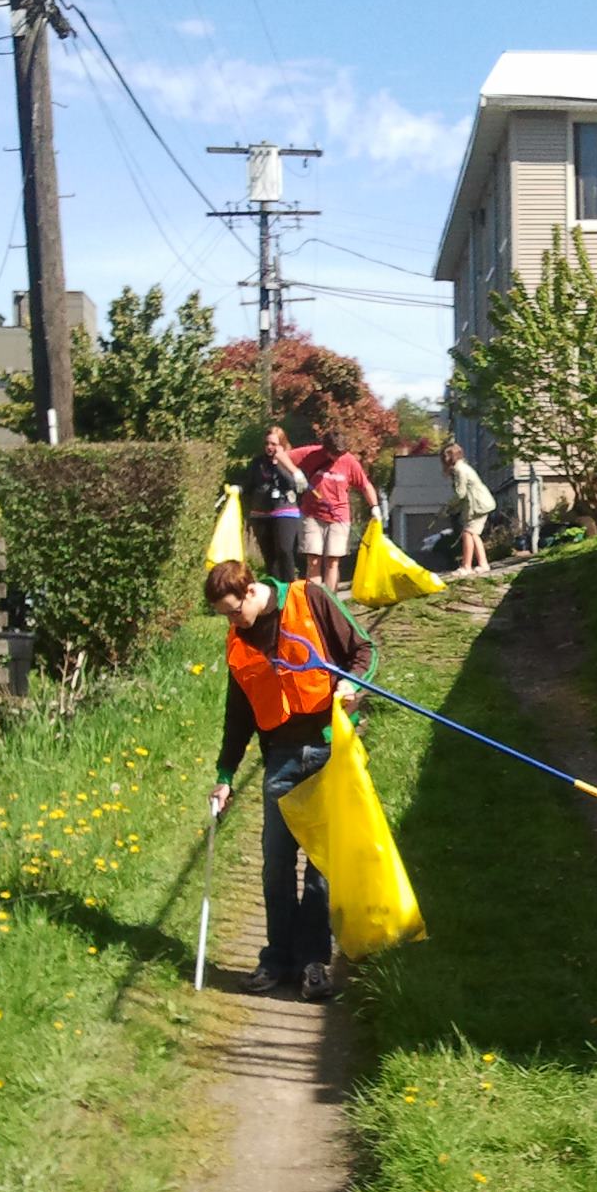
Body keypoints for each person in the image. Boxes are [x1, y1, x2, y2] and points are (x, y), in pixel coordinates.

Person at [206, 559, 373, 1002]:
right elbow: (237, 716)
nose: (230, 620)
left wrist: (352, 685)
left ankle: (315, 965)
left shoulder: (310, 598)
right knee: (275, 866)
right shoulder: (237, 642)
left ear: (251, 592)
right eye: (223, 614)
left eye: (231, 611)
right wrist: (225, 775)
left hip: (327, 751)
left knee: (320, 868)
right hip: (279, 758)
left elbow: (363, 649)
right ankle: (277, 958)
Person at [290, 429, 382, 592]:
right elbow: (283, 456)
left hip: (339, 517)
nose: (337, 458)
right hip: (312, 515)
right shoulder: (312, 453)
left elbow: (365, 485)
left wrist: (374, 507)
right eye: (334, 455)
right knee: (314, 560)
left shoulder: (349, 461)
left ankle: (330, 602)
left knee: (333, 561)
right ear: (326, 449)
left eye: (340, 454)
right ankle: (314, 602)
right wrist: (296, 473)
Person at [240, 425, 307, 580]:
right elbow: (249, 483)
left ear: (281, 445)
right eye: (267, 444)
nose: (269, 447)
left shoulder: (290, 461)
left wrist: (279, 464)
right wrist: (239, 489)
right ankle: (276, 593)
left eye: (273, 444)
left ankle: (290, 588)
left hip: (285, 511)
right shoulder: (257, 463)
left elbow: (293, 485)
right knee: (270, 557)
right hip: (261, 513)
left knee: (284, 550)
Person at [440, 442, 496, 575]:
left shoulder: (459, 470)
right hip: (481, 503)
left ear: (449, 458)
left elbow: (460, 493)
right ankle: (483, 564)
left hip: (478, 504)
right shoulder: (463, 467)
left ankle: (466, 566)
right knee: (473, 533)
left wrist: (448, 506)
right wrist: (451, 509)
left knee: (467, 533)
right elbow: (463, 495)